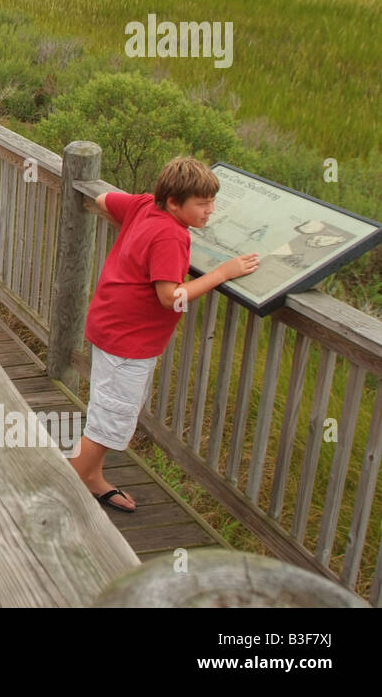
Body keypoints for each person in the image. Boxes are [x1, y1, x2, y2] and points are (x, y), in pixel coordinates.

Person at [68, 156, 258, 512]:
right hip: (127, 342)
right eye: (202, 204)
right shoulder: (172, 235)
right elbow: (170, 297)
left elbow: (106, 200)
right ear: (174, 202)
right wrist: (223, 272)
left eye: (212, 202)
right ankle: (62, 498)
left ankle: (92, 478)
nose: (210, 211)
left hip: (110, 327)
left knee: (110, 411)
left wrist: (127, 234)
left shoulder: (143, 205)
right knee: (109, 421)